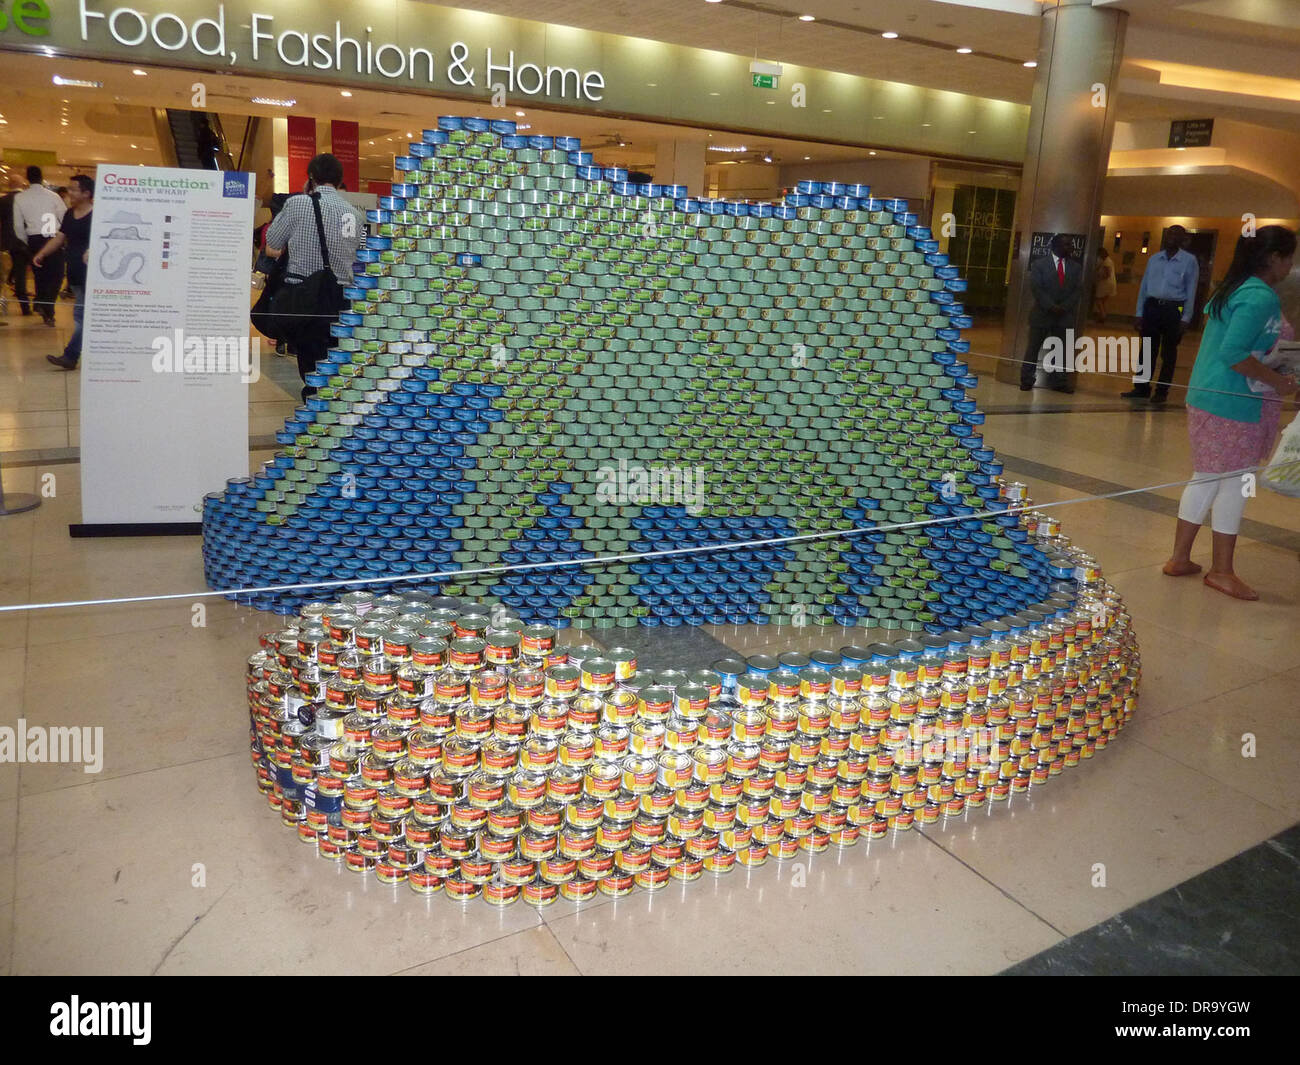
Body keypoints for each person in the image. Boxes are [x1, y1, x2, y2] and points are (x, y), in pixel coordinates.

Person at [1162, 225, 1298, 601]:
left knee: (1205, 477)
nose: (1290, 265)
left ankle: (1180, 558)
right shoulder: (1259, 298)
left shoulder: (1236, 288)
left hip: (1210, 396)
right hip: (1235, 401)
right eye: (1288, 258)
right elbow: (1234, 353)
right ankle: (1222, 571)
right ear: (1273, 258)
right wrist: (1280, 380)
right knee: (1235, 483)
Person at [263, 153, 362, 402]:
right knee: (334, 361)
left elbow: (273, 242)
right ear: (340, 181)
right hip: (341, 299)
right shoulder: (354, 214)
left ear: (311, 178)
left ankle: (317, 414)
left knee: (311, 364)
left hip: (305, 298)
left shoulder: (298, 204)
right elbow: (359, 256)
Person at [1123, 224, 1199, 404]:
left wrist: (1186, 317)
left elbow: (1191, 290)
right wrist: (1139, 312)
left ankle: (1161, 391)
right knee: (1147, 349)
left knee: (1168, 352)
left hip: (1174, 308)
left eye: (1177, 234)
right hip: (1152, 307)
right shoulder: (1154, 259)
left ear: (1183, 239)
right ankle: (1141, 388)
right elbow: (1144, 287)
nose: (1172, 237)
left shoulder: (1189, 261)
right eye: (1170, 233)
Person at [35, 175, 93, 371]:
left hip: (92, 276)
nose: (70, 193)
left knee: (82, 317)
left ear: (86, 193)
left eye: (74, 189)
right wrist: (42, 253)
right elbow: (60, 238)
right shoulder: (69, 214)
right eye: (69, 189)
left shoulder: (97, 215)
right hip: (76, 274)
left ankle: (71, 355)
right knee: (84, 316)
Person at [1020, 233, 1081, 394]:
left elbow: (1077, 291)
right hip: (1042, 313)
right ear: (1055, 246)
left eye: (1071, 244)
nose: (1070, 247)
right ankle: (1026, 379)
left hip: (1064, 315)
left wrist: (1064, 307)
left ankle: (1059, 381)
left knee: (1061, 350)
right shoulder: (1039, 264)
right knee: (1033, 348)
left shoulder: (1075, 267)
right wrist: (1051, 306)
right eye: (1066, 245)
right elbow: (1036, 288)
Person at [12, 166, 67, 325]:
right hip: (53, 238)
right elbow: (63, 217)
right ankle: (47, 307)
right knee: (56, 275)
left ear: (27, 179)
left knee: (40, 275)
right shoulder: (53, 196)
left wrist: (26, 241)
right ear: (42, 177)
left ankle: (42, 304)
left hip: (34, 240)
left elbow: (18, 226)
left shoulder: (20, 198)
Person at [1092, 246, 1116, 322]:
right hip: (1109, 284)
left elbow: (1106, 274)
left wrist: (1099, 277)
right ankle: (1102, 315)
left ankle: (1102, 316)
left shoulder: (1106, 262)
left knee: (1099, 300)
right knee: (1102, 301)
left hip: (1105, 284)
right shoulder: (1108, 261)